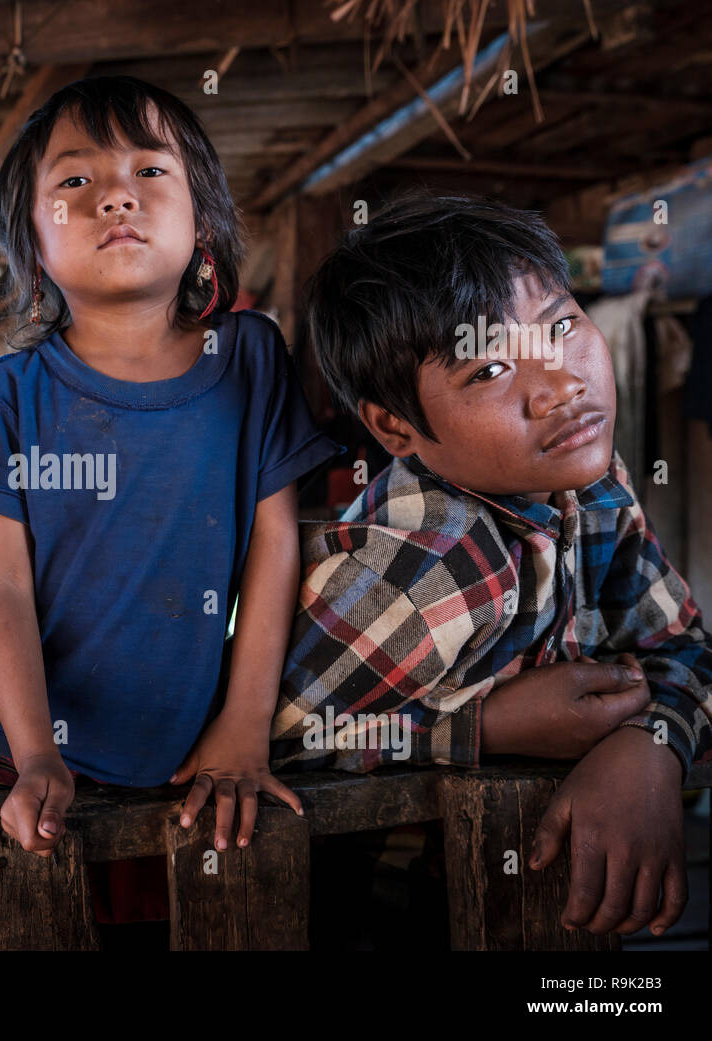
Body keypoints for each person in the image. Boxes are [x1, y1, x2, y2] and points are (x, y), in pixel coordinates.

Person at [272, 192, 712, 937]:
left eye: (562, 325)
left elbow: (682, 645)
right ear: (395, 426)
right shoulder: (429, 564)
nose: (562, 386)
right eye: (491, 368)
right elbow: (285, 736)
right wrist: (483, 726)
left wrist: (652, 745)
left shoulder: (596, 488)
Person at [0, 75, 340, 861]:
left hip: (198, 757)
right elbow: (2, 589)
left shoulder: (249, 357)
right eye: (75, 181)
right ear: (34, 247)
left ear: (203, 223)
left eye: (151, 172)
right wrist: (35, 751)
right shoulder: (11, 395)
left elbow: (273, 543)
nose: (114, 198)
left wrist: (246, 724)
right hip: (8, 759)